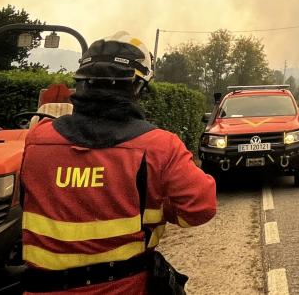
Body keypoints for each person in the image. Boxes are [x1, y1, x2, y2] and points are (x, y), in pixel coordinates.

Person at [19, 32, 217, 294]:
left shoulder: (37, 139)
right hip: (126, 285)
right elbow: (200, 208)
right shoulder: (158, 146)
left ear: (82, 82)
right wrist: (155, 203)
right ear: (137, 88)